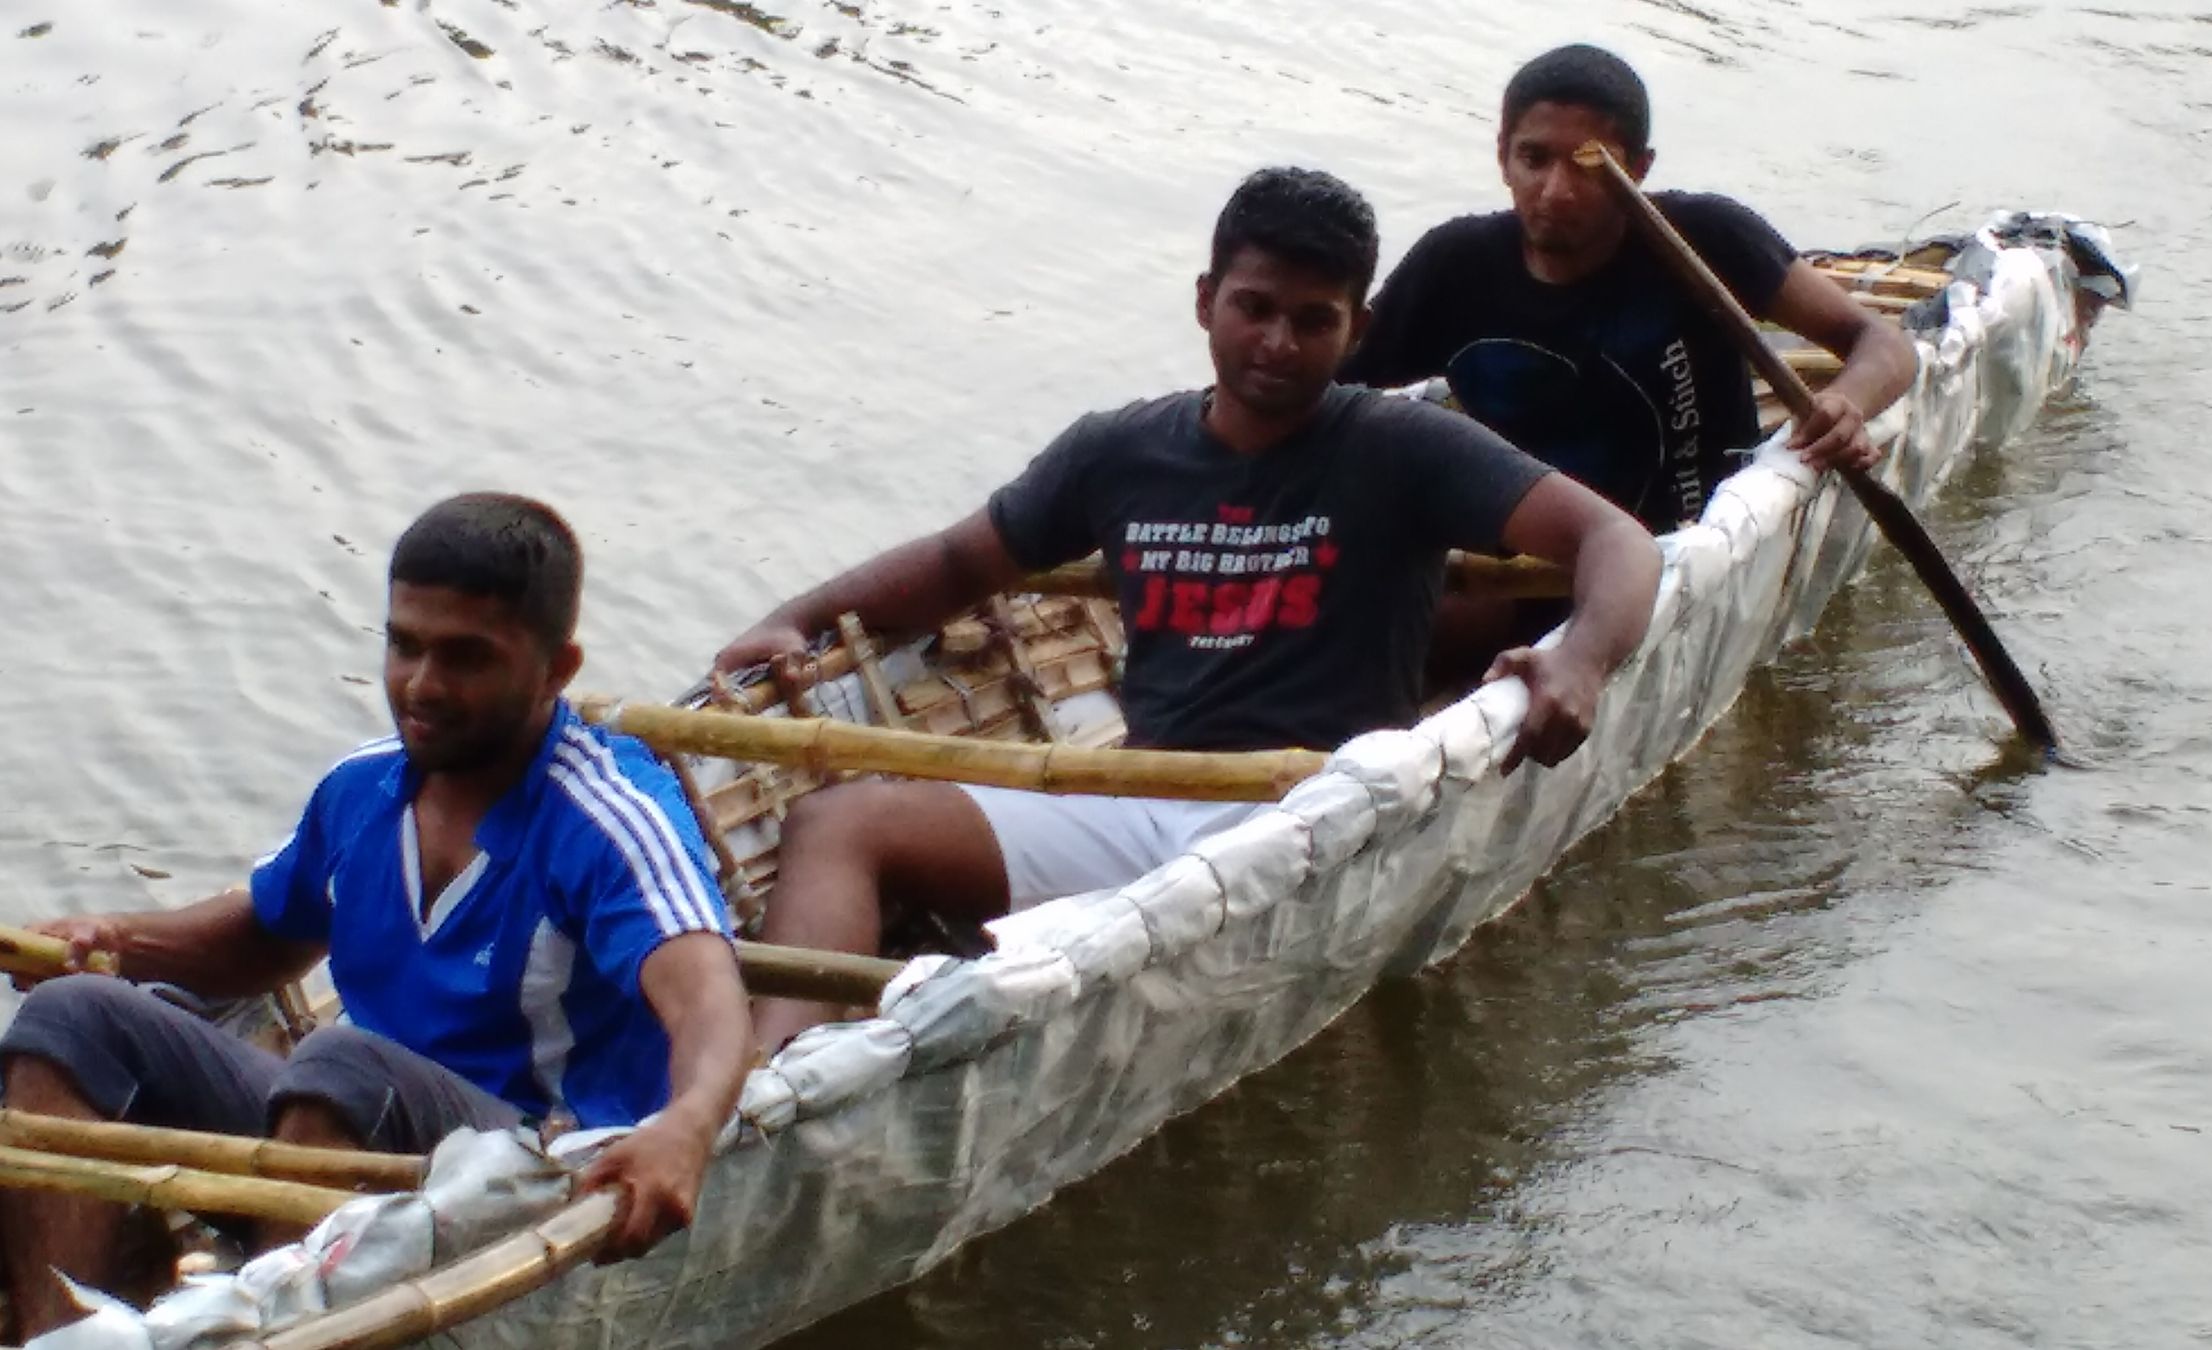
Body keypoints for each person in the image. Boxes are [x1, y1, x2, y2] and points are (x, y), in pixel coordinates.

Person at [715, 167, 1665, 1052]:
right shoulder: (1119, 450)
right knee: (838, 823)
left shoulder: (1401, 446)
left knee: (1042, 968)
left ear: (1357, 331)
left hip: (1302, 821)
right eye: (1254, 309)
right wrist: (798, 617)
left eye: (1313, 320)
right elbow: (962, 561)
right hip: (1140, 798)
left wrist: (1578, 660)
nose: (1278, 344)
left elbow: (1614, 541)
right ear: (1206, 299)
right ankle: (775, 1079)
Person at [0, 494, 752, 1339]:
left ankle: (257, 1329)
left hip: (534, 1163)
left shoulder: (609, 817)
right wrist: (117, 941)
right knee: (70, 1021)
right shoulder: (361, 789)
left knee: (340, 1064)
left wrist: (686, 1129)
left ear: (556, 668)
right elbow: (261, 939)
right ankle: (48, 1332)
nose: (422, 686)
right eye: (404, 646)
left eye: (466, 658)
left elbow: (709, 1000)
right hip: (342, 1132)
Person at [1340, 43, 1921, 534]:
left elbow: (1882, 342)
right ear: (1502, 155)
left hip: (1690, 547)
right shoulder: (1453, 264)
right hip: (1520, 547)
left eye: (1587, 166)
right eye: (1534, 159)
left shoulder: (1701, 239)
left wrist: (1847, 405)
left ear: (1638, 170)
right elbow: (1330, 392)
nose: (1554, 191)